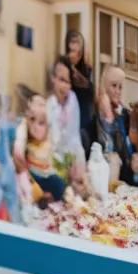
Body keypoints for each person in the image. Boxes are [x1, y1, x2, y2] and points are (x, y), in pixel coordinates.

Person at [13, 94, 65, 207]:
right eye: (32, 120)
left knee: (59, 185)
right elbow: (18, 152)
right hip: (31, 174)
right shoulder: (24, 131)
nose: (35, 126)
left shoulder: (51, 134)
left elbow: (58, 153)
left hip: (48, 174)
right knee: (28, 190)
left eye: (41, 123)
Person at [47, 57, 87, 188]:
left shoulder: (72, 101)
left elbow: (75, 139)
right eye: (61, 80)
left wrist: (80, 168)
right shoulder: (48, 105)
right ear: (53, 79)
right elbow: (51, 144)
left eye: (68, 82)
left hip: (73, 167)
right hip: (52, 167)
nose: (64, 86)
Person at [65, 31, 96, 155]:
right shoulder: (63, 70)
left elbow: (90, 91)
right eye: (71, 51)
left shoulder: (87, 70)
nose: (74, 56)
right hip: (70, 122)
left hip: (85, 122)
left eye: (78, 52)